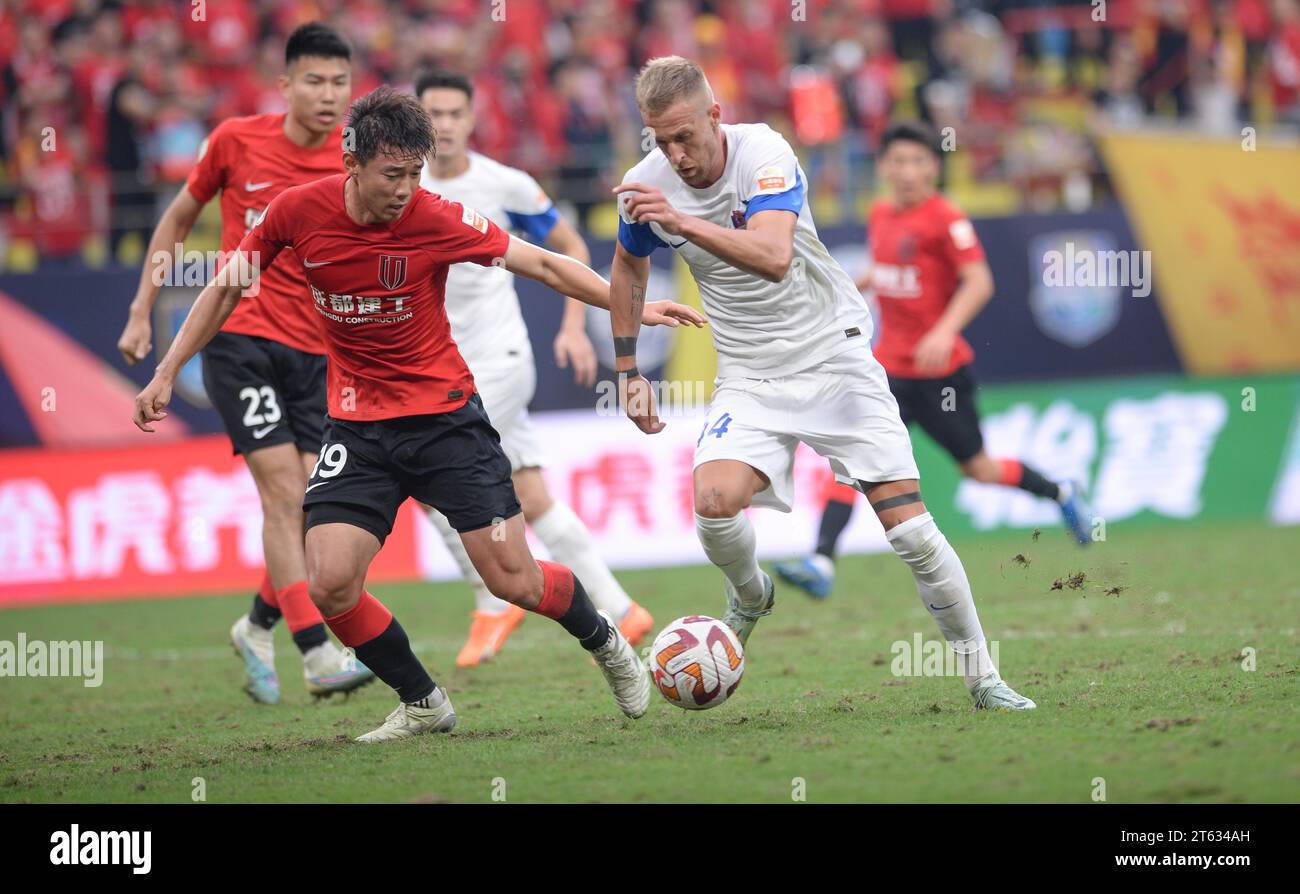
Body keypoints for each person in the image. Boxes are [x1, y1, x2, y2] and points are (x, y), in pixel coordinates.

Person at [133, 86, 706, 742]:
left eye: (414, 172)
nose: (406, 188)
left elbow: (544, 263)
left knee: (513, 579)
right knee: (331, 582)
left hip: (446, 424)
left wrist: (631, 308)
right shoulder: (297, 212)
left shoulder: (437, 218)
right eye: (392, 174)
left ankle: (605, 641)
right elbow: (228, 285)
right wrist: (168, 370)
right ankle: (423, 701)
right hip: (356, 428)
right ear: (351, 161)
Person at [609, 57, 1034, 711]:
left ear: (714, 116)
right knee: (714, 500)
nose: (674, 153)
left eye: (684, 135)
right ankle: (751, 595)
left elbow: (775, 257)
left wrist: (683, 220)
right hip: (750, 373)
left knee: (913, 535)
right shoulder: (647, 184)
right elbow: (629, 270)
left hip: (834, 358)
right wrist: (628, 368)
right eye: (659, 140)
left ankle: (984, 679)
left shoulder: (765, 154)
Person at [115, 23, 373, 704]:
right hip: (240, 338)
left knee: (318, 507)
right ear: (284, 85)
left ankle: (256, 625)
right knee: (284, 495)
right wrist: (144, 309)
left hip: (319, 353)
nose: (327, 94)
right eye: (314, 81)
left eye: (339, 83)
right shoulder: (234, 141)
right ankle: (316, 652)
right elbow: (175, 220)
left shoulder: (355, 160)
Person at [775, 120, 1091, 600]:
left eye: (918, 162)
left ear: (934, 167)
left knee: (980, 469)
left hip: (942, 378)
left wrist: (944, 330)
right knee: (850, 459)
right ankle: (821, 560)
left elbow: (980, 281)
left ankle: (1060, 492)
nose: (907, 172)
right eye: (898, 161)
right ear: (882, 166)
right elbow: (888, 272)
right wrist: (848, 289)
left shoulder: (947, 218)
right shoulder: (880, 214)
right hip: (887, 374)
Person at [415, 70, 654, 668]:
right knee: (532, 496)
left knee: (420, 463)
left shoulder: (505, 184)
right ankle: (621, 607)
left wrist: (574, 326)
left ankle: (490, 599)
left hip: (498, 360)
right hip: (444, 364)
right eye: (433, 114)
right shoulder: (400, 186)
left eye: (453, 113)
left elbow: (571, 249)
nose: (443, 124)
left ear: (472, 120)